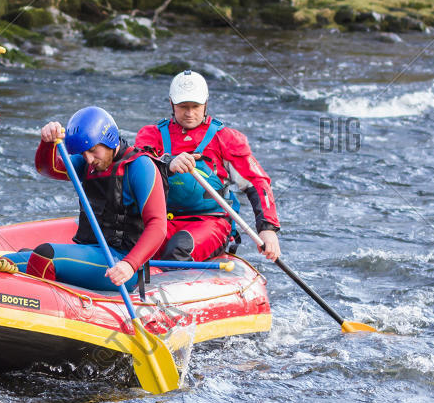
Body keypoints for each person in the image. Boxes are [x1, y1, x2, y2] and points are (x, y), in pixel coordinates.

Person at [133, 69, 281, 263]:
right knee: (130, 243)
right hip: (161, 221)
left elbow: (257, 183)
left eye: (195, 106)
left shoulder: (226, 139)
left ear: (206, 104)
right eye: (183, 106)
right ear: (171, 104)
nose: (189, 113)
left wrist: (267, 229)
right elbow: (134, 171)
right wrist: (167, 163)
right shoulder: (151, 136)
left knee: (178, 248)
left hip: (210, 222)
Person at [26, 105, 168, 293]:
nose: (89, 159)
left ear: (109, 139)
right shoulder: (87, 163)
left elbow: (158, 226)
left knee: (45, 256)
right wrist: (47, 143)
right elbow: (47, 169)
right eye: (83, 153)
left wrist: (130, 264)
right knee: (7, 262)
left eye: (93, 150)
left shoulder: (140, 166)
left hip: (123, 265)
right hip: (91, 252)